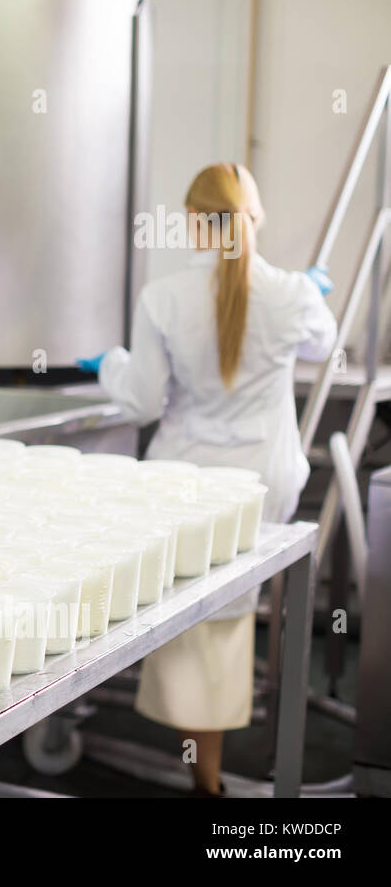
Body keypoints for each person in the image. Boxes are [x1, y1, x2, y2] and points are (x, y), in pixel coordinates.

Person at [76, 162, 337, 796]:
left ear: (192, 222)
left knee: (180, 610)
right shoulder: (293, 295)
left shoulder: (162, 298)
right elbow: (322, 347)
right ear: (256, 217)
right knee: (230, 615)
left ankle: (197, 765)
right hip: (263, 483)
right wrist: (308, 293)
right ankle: (209, 771)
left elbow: (140, 403)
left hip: (186, 481)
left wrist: (109, 364)